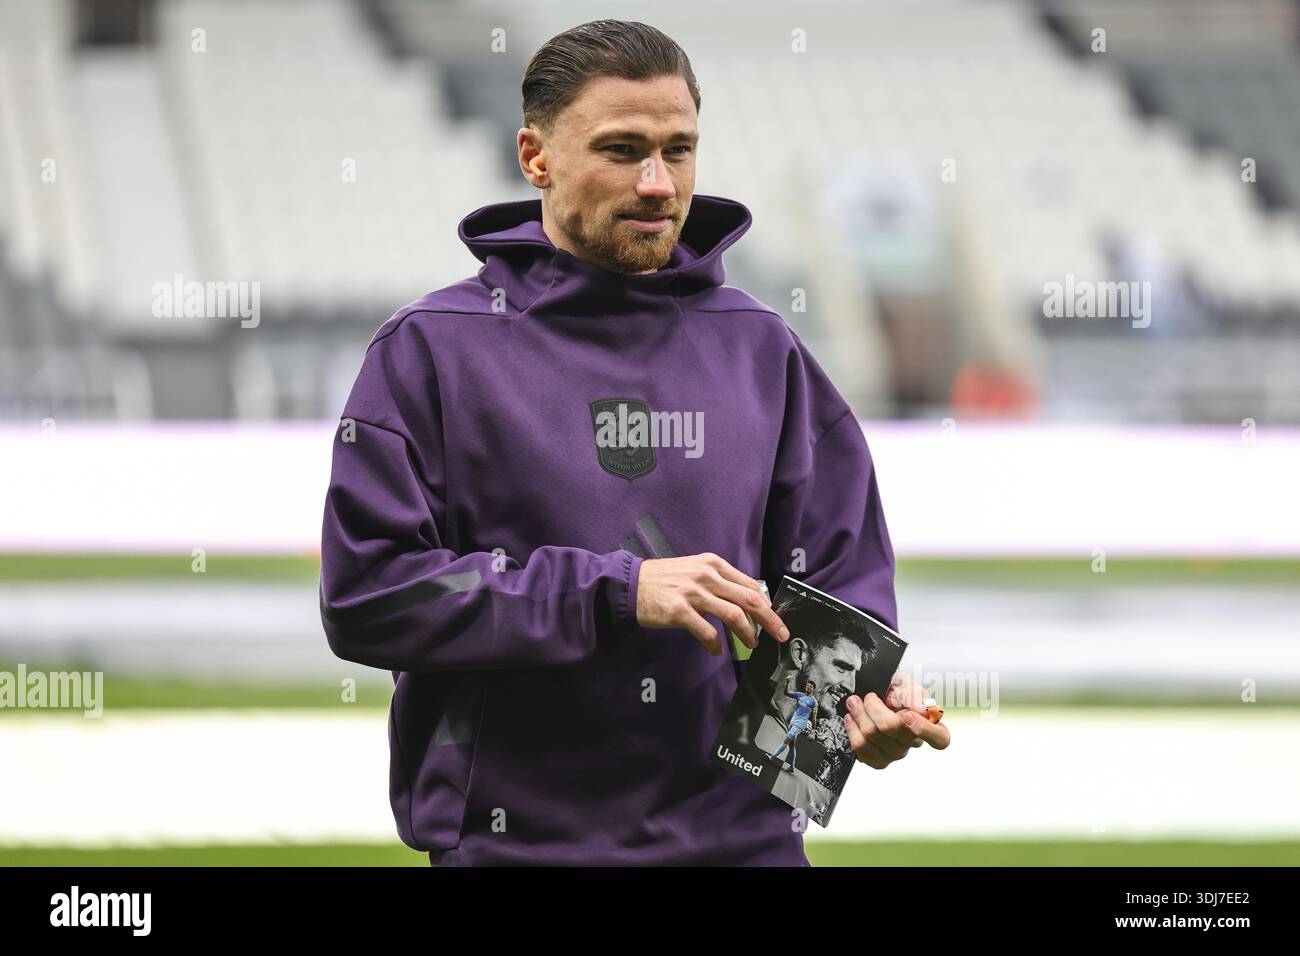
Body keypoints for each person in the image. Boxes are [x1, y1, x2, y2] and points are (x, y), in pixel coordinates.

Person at [319, 19, 949, 867]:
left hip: (745, 848)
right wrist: (614, 593)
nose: (658, 182)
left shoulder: (764, 351)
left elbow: (836, 598)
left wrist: (847, 722)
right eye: (622, 150)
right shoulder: (430, 350)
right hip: (515, 851)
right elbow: (369, 597)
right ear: (535, 156)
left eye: (678, 150)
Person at [766, 678, 819, 771]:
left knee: (785, 741)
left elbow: (814, 718)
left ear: (813, 689)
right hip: (792, 722)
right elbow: (786, 693)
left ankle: (772, 757)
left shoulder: (814, 702)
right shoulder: (800, 695)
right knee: (792, 746)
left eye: (810, 687)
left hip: (800, 725)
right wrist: (787, 683)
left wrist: (813, 731)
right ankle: (792, 767)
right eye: (807, 685)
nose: (808, 687)